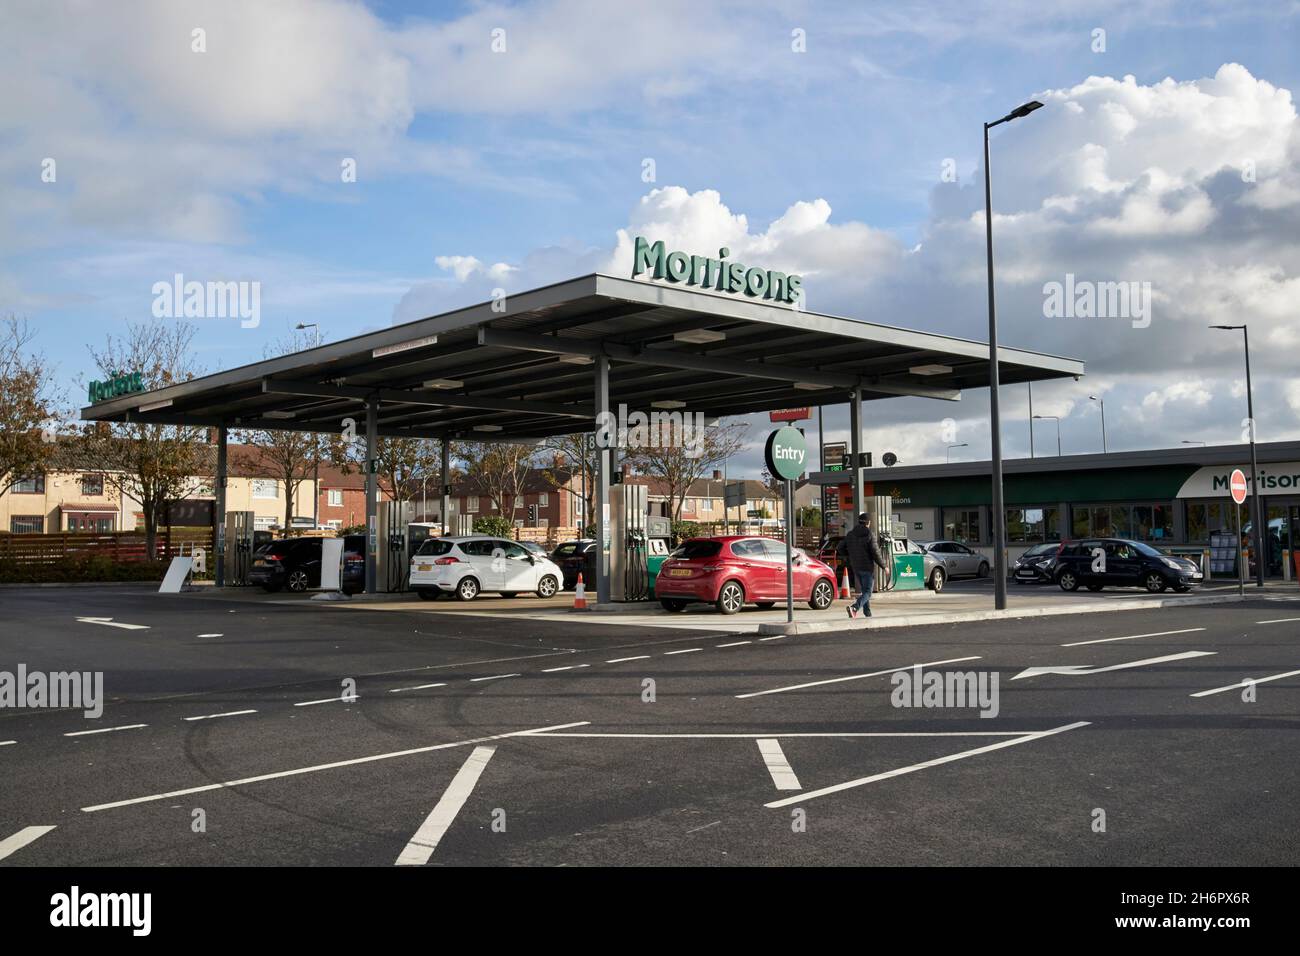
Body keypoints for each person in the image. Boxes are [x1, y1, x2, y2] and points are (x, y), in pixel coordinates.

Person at [837, 512, 889, 619]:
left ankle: (867, 613)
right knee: (868, 593)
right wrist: (884, 566)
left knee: (865, 591)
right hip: (867, 567)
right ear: (868, 522)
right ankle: (854, 608)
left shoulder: (850, 534)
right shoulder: (870, 534)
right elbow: (876, 553)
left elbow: (839, 547)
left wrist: (850, 556)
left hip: (856, 567)